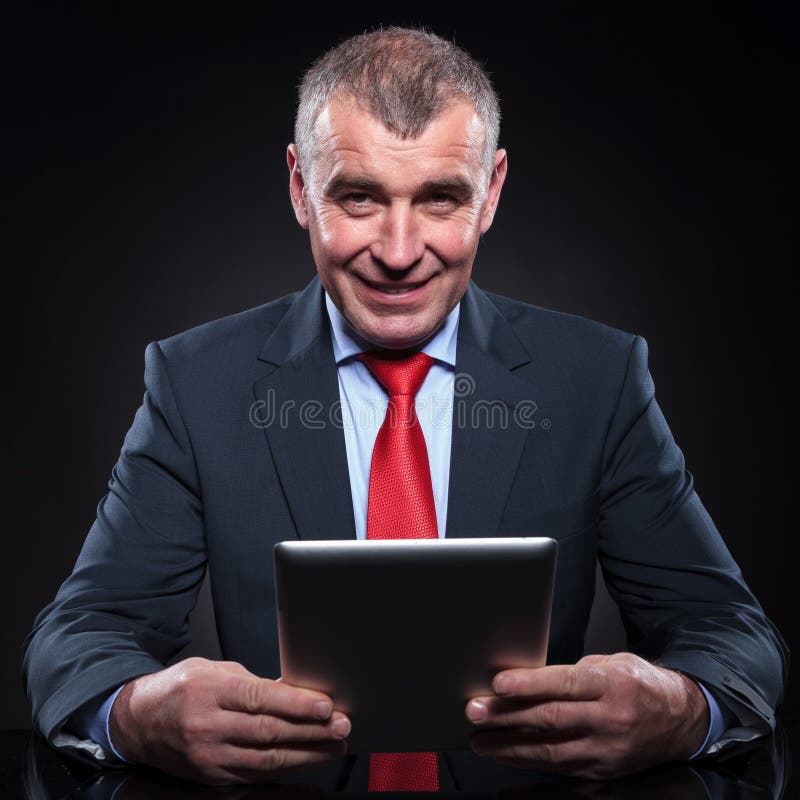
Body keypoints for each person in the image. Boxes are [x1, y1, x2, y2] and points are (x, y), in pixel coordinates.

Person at [23, 27, 787, 791]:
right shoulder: (196, 383)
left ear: (490, 191)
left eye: (439, 198)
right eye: (358, 196)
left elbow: (731, 633)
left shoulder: (600, 378)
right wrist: (135, 714)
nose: (397, 250)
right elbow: (82, 634)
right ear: (299, 187)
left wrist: (682, 709)